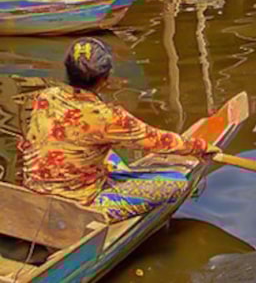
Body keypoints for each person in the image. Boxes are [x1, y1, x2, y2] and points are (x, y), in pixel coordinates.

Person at [19, 38, 220, 222]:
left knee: (109, 154)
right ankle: (104, 209)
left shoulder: (46, 96)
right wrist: (200, 147)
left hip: (35, 191)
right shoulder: (107, 117)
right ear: (104, 79)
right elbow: (157, 141)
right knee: (177, 183)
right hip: (79, 205)